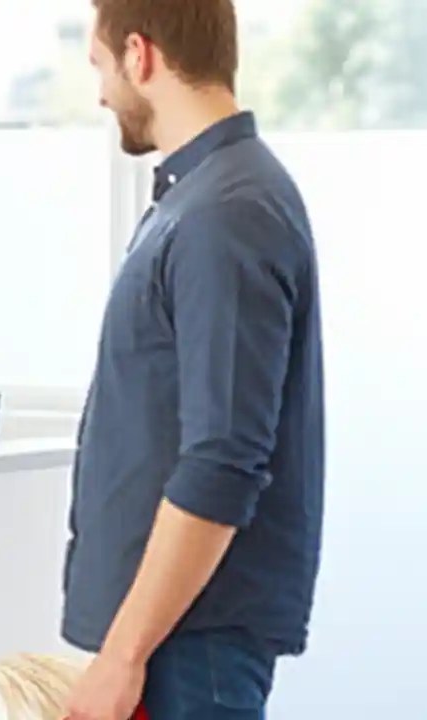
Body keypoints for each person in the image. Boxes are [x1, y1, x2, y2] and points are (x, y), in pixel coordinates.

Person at [61, 1, 324, 718]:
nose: (100, 93)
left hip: (193, 642)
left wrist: (124, 656)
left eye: (101, 65)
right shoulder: (201, 200)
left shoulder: (226, 212)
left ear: (140, 55)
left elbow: (224, 461)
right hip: (176, 638)